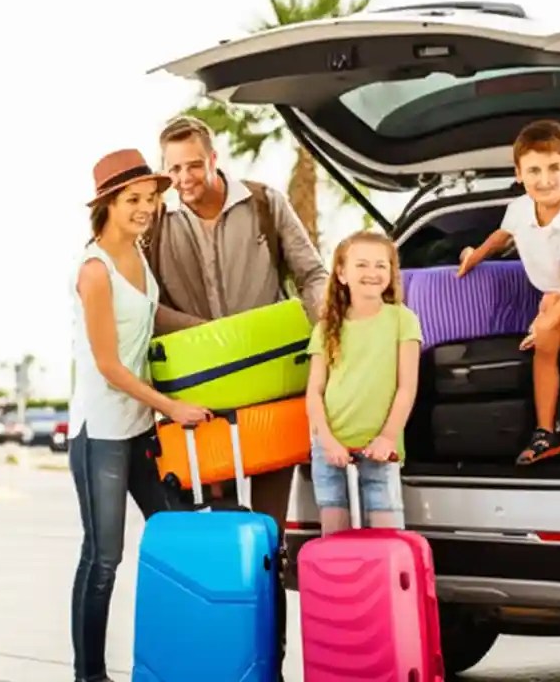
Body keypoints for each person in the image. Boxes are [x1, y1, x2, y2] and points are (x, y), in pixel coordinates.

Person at [68, 148, 211, 682]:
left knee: (172, 532)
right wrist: (172, 407)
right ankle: (90, 674)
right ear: (106, 204)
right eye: (133, 199)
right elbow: (109, 365)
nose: (145, 208)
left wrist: (211, 336)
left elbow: (149, 326)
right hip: (101, 431)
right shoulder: (94, 270)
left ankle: (183, 657)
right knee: (103, 558)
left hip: (138, 428)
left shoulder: (138, 257)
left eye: (151, 199)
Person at [145, 114, 329, 524]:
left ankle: (269, 587)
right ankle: (229, 589)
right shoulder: (155, 223)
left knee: (270, 526)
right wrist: (204, 334)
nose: (185, 177)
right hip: (202, 394)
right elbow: (142, 306)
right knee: (218, 524)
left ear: (213, 158)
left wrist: (326, 340)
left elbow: (313, 275)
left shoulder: (264, 203)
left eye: (194, 165)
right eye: (174, 168)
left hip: (272, 383)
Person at [457, 119, 560, 465]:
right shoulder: (519, 209)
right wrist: (472, 256)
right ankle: (546, 435)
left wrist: (543, 325)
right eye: (534, 170)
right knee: (545, 347)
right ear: (518, 174)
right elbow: (502, 236)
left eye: (554, 168)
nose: (545, 179)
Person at [305, 230, 422, 536]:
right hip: (330, 446)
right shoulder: (326, 328)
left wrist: (387, 437)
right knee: (335, 540)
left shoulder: (403, 320)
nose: (372, 273)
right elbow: (315, 392)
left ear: (391, 273)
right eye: (362, 265)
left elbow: (406, 387)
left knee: (388, 539)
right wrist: (328, 441)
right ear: (342, 274)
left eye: (380, 266)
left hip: (380, 447)